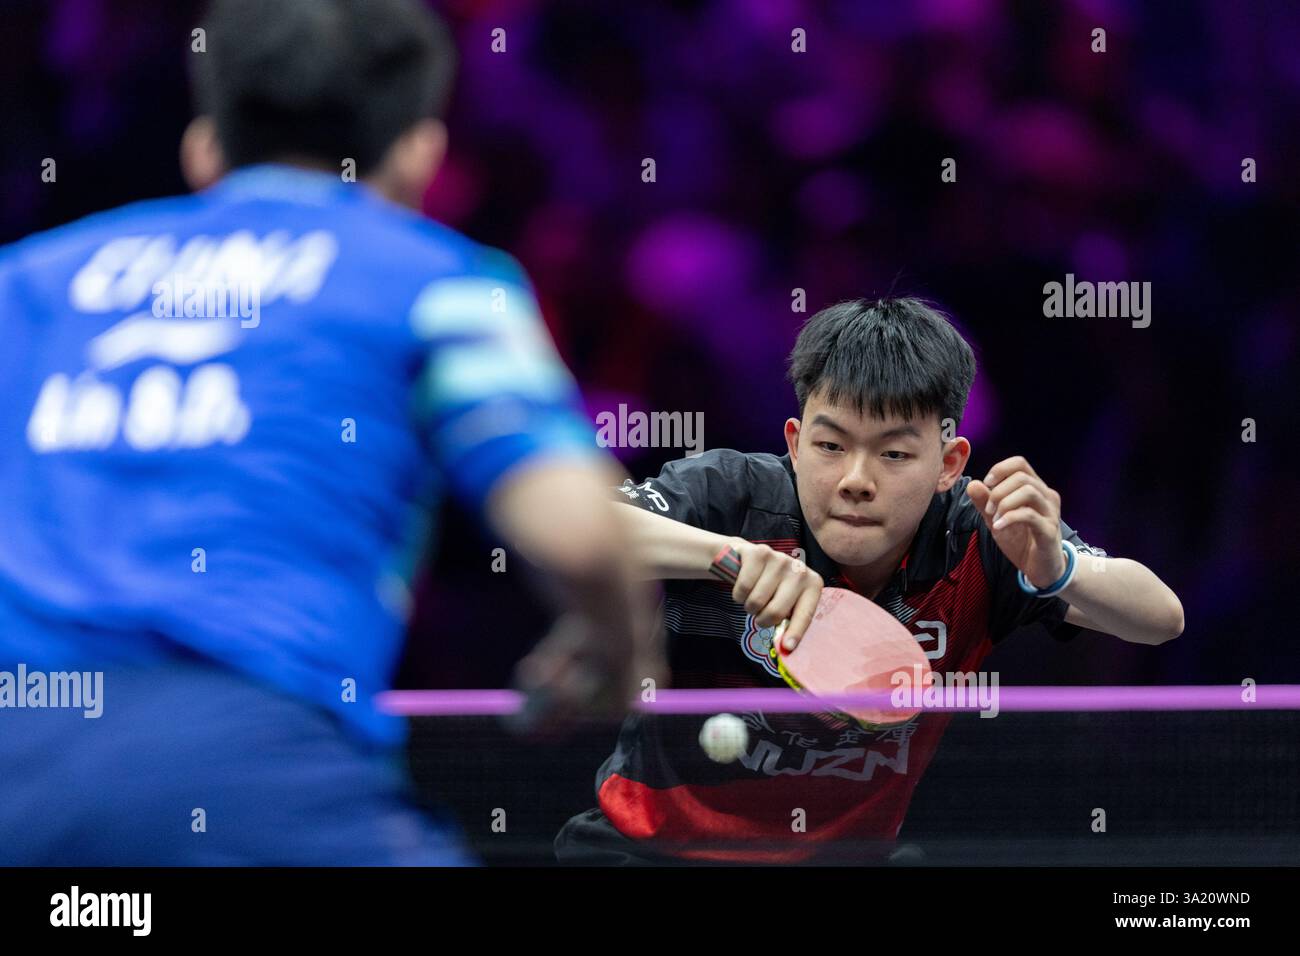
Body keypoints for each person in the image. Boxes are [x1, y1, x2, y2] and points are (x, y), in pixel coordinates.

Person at [0, 0, 659, 865]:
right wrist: (622, 653)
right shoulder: (440, 282)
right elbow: (577, 534)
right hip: (242, 768)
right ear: (422, 155)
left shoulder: (29, 282)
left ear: (204, 149)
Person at [555, 297, 1184, 865]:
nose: (857, 478)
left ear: (950, 463)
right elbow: (576, 526)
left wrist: (1057, 569)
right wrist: (729, 558)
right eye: (832, 447)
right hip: (645, 854)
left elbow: (1160, 619)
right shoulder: (731, 495)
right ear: (796, 444)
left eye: (894, 454)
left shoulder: (985, 535)